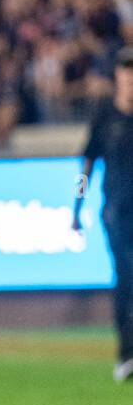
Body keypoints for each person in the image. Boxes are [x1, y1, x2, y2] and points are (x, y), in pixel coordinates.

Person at [73, 45, 133, 381]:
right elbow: (86, 168)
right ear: (118, 78)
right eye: (126, 72)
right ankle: (126, 353)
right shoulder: (106, 118)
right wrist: (76, 208)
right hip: (117, 215)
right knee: (125, 281)